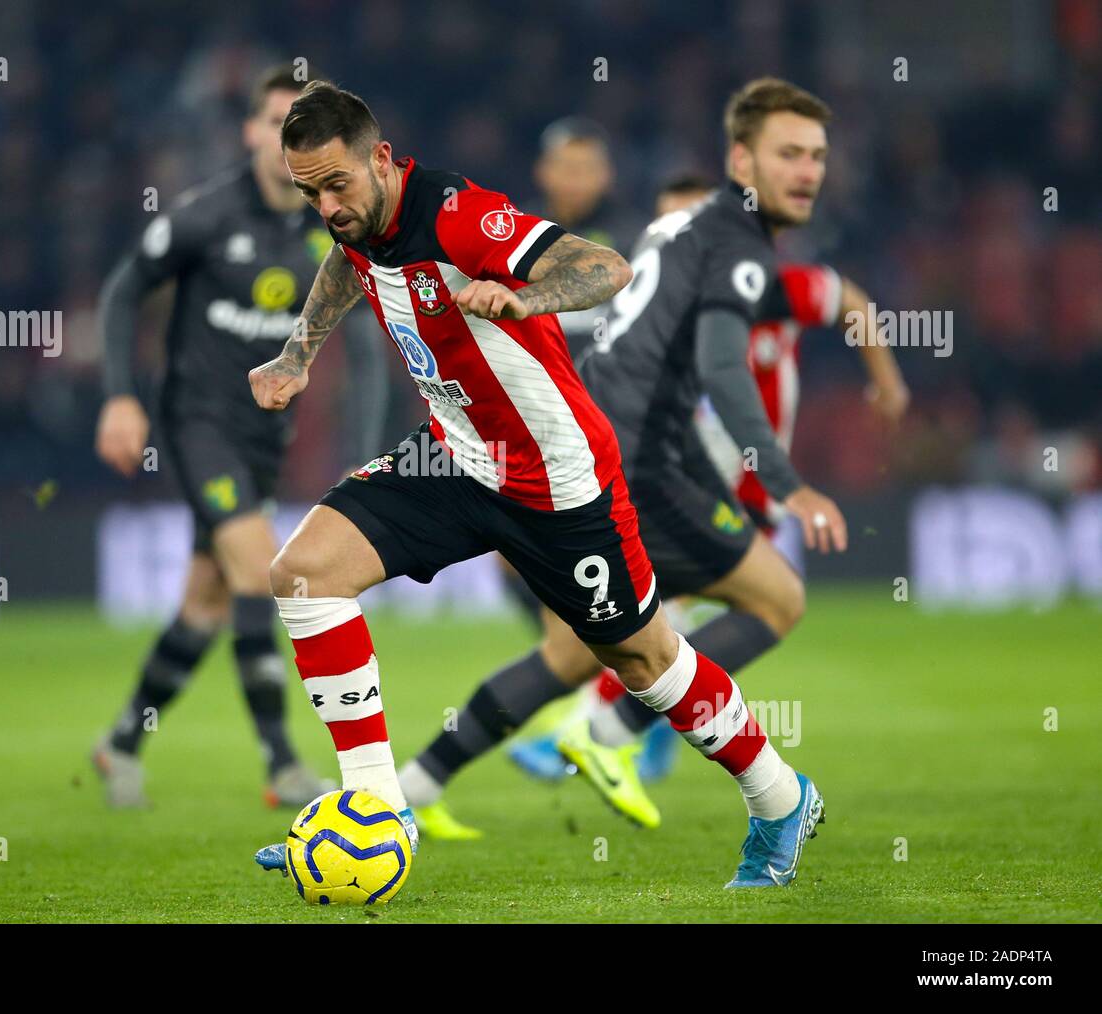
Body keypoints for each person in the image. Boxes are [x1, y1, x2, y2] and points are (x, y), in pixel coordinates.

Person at [248, 79, 823, 890]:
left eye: (337, 184)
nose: (328, 207)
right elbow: (350, 264)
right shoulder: (357, 221)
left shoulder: (456, 214)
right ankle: (375, 810)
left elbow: (604, 267)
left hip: (557, 478)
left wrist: (522, 296)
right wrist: (299, 353)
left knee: (645, 659)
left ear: (380, 159)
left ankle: (778, 798)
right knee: (303, 574)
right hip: (455, 456)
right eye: (310, 194)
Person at [398, 78, 849, 864]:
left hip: (579, 448)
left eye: (817, 156)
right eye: (788, 154)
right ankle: (612, 733)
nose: (807, 171)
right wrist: (785, 481)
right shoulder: (733, 241)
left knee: (574, 653)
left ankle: (413, 790)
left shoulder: (675, 226)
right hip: (636, 459)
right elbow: (720, 363)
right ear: (740, 159)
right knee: (777, 597)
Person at [90, 65, 386, 810]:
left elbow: (371, 341)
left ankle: (120, 743)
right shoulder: (205, 216)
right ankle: (282, 764)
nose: (290, 143)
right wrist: (121, 398)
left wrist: (371, 440)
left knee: (206, 603)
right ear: (253, 132)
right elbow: (125, 289)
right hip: (197, 424)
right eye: (277, 124)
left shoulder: (333, 223)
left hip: (262, 440)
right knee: (263, 573)